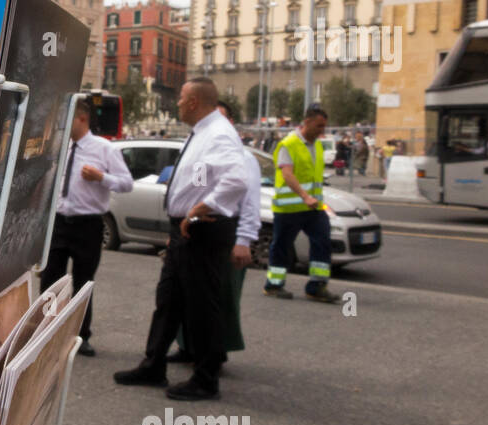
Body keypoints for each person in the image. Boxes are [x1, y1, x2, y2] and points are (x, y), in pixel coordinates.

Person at [114, 78, 250, 400]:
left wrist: (200, 209)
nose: (175, 104)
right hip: (185, 230)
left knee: (202, 304)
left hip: (202, 229)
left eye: (180, 99)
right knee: (169, 299)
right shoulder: (203, 132)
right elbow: (204, 177)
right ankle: (153, 364)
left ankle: (206, 379)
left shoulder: (218, 133)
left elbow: (237, 179)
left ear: (192, 102)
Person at [40, 99, 133, 357]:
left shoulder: (104, 149)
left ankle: (81, 335)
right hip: (59, 222)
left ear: (81, 118)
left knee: (83, 283)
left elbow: (126, 184)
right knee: (50, 281)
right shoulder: (60, 147)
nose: (62, 124)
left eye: (66, 118)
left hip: (88, 225)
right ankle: (45, 332)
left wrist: (101, 177)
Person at [169, 98, 260, 363]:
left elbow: (251, 202)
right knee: (191, 295)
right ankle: (189, 347)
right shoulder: (201, 150)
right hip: (197, 231)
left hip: (224, 234)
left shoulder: (244, 158)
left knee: (219, 298)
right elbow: (196, 192)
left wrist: (243, 240)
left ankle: (213, 355)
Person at [265, 105, 339, 303]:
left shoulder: (316, 144)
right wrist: (305, 196)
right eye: (319, 126)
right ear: (307, 122)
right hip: (290, 207)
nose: (322, 130)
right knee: (281, 246)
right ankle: (274, 285)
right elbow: (287, 173)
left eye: (324, 126)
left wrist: (312, 199)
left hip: (312, 208)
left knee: (322, 241)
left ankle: (316, 287)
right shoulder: (289, 144)